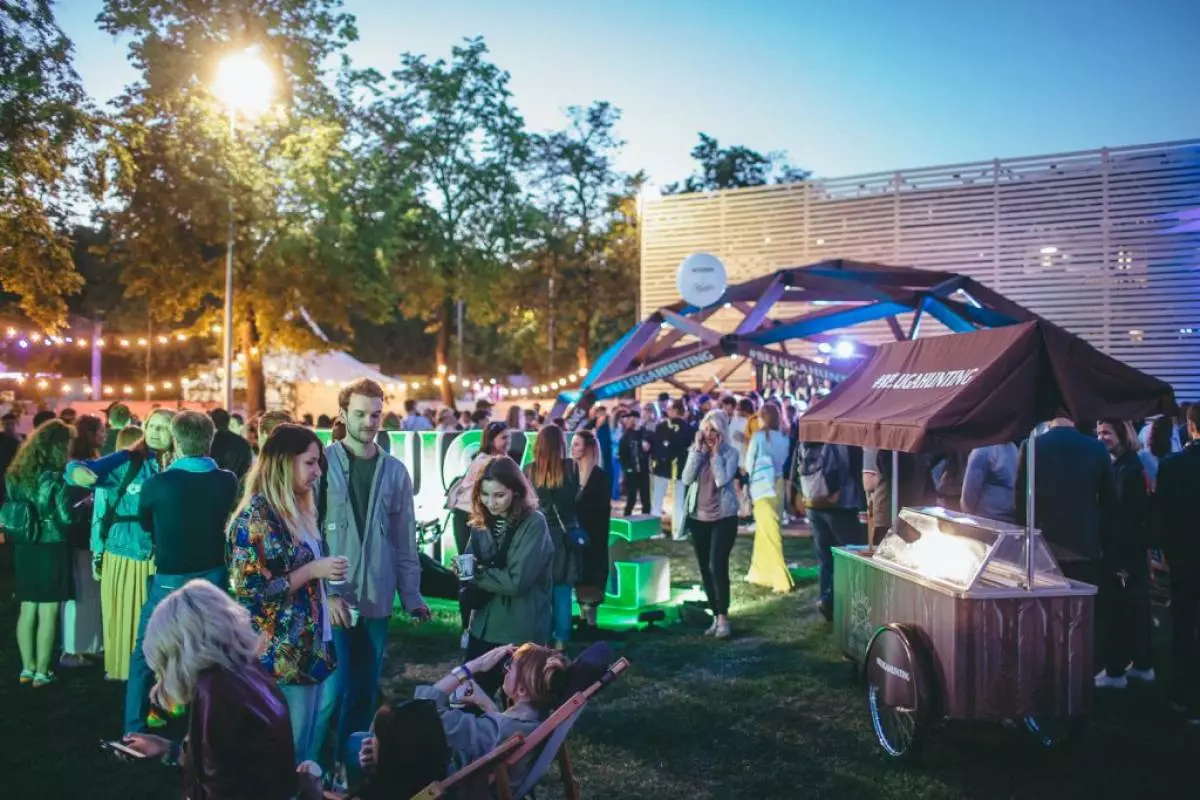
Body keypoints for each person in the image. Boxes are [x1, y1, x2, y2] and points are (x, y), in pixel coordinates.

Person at [320, 379, 429, 775]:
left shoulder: (395, 471)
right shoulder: (322, 463)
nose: (369, 422)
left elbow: (405, 540)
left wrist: (412, 594)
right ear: (343, 414)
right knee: (332, 691)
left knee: (364, 691)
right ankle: (312, 765)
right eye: (361, 414)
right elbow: (310, 532)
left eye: (376, 414)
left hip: (377, 597)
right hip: (331, 595)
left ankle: (348, 768)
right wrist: (321, 590)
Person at [121, 580, 299, 799]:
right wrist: (168, 750)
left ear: (180, 653)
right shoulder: (246, 668)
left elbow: (214, 789)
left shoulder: (215, 691)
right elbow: (224, 762)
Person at [229, 423, 343, 763]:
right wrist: (312, 571)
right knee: (285, 752)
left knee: (304, 746)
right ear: (283, 462)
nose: (318, 471)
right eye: (310, 462)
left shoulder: (299, 509)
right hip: (280, 654)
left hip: (308, 646)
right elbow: (252, 591)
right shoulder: (257, 517)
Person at [125, 411, 239, 733]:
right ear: (210, 441)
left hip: (170, 577)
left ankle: (133, 727)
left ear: (175, 441)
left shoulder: (157, 484)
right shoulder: (226, 480)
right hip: (213, 574)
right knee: (213, 650)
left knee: (146, 649)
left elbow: (145, 523)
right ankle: (210, 722)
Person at [69, 412, 173, 681]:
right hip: (127, 552)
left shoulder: (178, 465)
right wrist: (78, 473)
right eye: (152, 425)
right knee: (130, 617)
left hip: (164, 554)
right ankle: (130, 673)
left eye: (164, 427)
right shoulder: (129, 460)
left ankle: (158, 674)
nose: (156, 432)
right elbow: (81, 470)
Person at [461, 456, 554, 697]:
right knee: (469, 700)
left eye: (499, 495)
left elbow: (516, 582)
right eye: (485, 494)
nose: (491, 503)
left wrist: (477, 574)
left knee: (520, 705)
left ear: (516, 492)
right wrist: (465, 571)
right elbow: (469, 565)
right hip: (482, 627)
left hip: (519, 631)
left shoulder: (535, 523)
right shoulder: (481, 521)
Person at [8, 419, 79, 687]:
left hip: (25, 546)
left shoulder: (15, 473)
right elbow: (66, 518)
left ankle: (26, 669)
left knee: (27, 608)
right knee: (49, 611)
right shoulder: (55, 477)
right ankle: (42, 671)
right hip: (51, 545)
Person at [1015, 417, 1116, 588]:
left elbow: (1020, 503)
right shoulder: (1097, 448)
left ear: (1048, 420)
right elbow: (1110, 502)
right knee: (1082, 610)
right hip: (1084, 547)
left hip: (1043, 549)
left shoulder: (1031, 447)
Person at [1094, 420, 1153, 689]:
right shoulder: (1125, 465)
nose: (1101, 437)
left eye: (1107, 432)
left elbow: (1126, 516)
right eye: (1099, 433)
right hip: (1130, 554)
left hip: (1123, 557)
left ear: (1122, 435)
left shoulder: (1127, 470)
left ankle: (1115, 671)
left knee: (1119, 609)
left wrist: (1121, 561)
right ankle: (1142, 664)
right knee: (1135, 610)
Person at [1155, 404, 1200, 724]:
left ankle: (1183, 695)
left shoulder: (1172, 465)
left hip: (1184, 557)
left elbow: (1162, 518)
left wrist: (1166, 554)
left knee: (1183, 627)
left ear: (1191, 426)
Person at [681, 411, 741, 639]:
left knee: (718, 566)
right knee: (705, 569)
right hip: (699, 519)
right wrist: (697, 452)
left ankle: (724, 618)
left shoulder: (731, 454)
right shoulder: (696, 452)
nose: (708, 434)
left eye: (713, 429)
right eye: (706, 429)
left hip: (724, 518)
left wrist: (715, 454)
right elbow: (686, 479)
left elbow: (721, 479)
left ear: (722, 432)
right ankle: (716, 616)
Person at [524, 425, 581, 650]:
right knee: (563, 589)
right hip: (564, 535)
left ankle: (543, 637)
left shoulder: (529, 471)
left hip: (539, 537)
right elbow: (575, 498)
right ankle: (562, 639)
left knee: (541, 590)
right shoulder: (571, 468)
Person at [59, 414, 105, 669]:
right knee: (78, 595)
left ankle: (90, 645)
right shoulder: (75, 467)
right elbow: (72, 505)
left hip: (91, 537)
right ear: (89, 434)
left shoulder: (92, 461)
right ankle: (71, 649)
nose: (104, 435)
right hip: (79, 537)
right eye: (100, 431)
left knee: (91, 594)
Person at [800, 439, 864, 621]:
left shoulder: (810, 430)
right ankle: (835, 601)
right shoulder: (843, 433)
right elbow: (853, 466)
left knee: (825, 558)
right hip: (843, 503)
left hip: (814, 501)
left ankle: (826, 601)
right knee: (849, 555)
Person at [744, 404, 794, 594]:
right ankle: (759, 572)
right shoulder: (784, 438)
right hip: (778, 485)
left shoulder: (758, 437)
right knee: (766, 530)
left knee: (770, 533)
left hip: (762, 486)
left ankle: (781, 580)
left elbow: (749, 463)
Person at [450, 421, 511, 560]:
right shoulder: (487, 461)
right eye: (503, 437)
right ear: (491, 439)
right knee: (468, 563)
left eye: (509, 437)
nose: (508, 441)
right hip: (468, 515)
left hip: (475, 515)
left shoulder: (496, 459)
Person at [571, 430, 611, 633]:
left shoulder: (599, 476)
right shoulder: (570, 473)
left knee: (592, 571)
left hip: (593, 536)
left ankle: (591, 622)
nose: (573, 448)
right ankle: (581, 617)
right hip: (573, 535)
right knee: (576, 573)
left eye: (577, 444)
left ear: (588, 448)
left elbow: (601, 509)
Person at [960, 442, 1019, 521]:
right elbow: (969, 495)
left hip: (1011, 524)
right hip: (986, 522)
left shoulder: (1014, 449)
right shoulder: (983, 451)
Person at [617, 410, 651, 517]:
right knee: (631, 498)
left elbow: (651, 448)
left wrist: (648, 447)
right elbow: (622, 454)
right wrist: (627, 469)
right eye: (630, 419)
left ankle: (646, 522)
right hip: (632, 472)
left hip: (644, 471)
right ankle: (626, 520)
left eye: (635, 418)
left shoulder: (645, 433)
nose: (633, 421)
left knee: (645, 498)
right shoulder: (626, 436)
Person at [209, 407, 254, 482]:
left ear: (211, 423)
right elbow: (247, 468)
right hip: (236, 488)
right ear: (228, 422)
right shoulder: (243, 443)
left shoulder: (209, 443)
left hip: (214, 488)